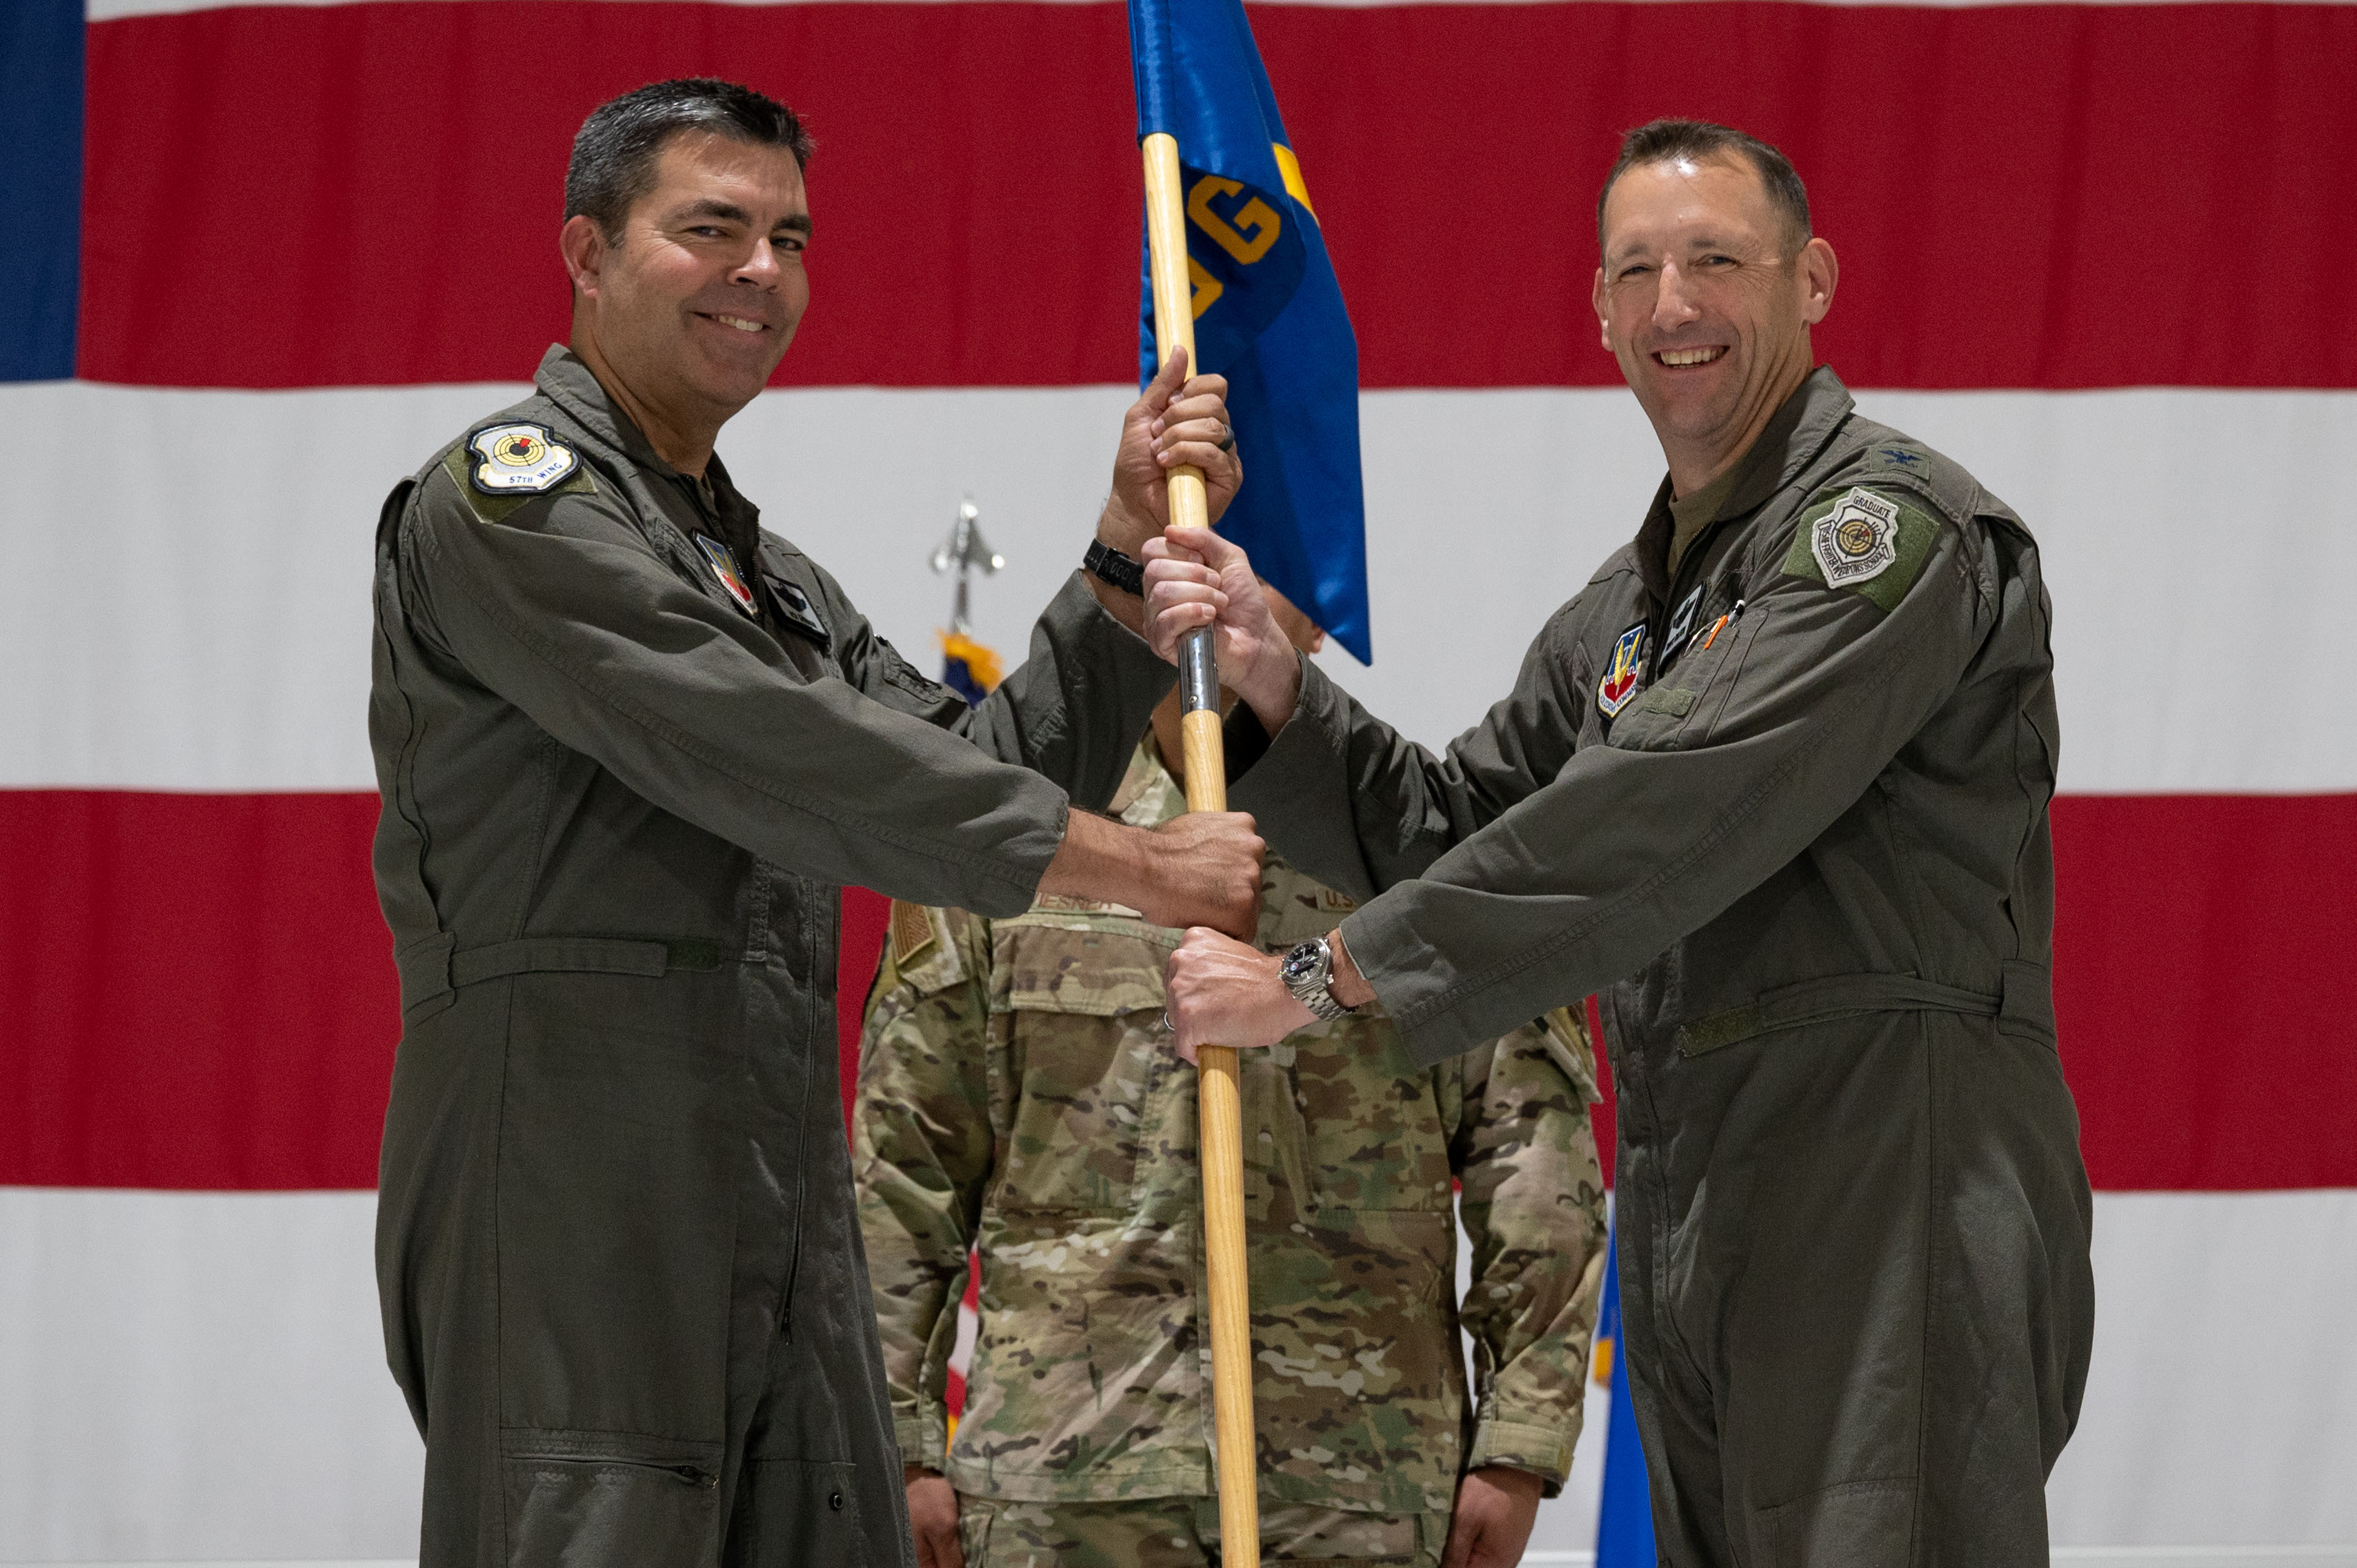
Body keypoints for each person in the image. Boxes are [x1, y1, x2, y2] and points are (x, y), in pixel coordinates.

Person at [1144, 119, 2096, 1565]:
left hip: (1884, 1181)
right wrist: (1280, 686)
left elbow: (1654, 812)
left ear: (1811, 281)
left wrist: (1319, 977)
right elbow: (1463, 825)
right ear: (1597, 310)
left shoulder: (1884, 533)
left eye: (1716, 260)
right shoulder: (1632, 607)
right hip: (1699, 1195)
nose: (1673, 305)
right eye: (1636, 271)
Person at [367, 78, 1263, 1567]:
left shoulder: (761, 573)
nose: (760, 271)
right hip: (575, 1181)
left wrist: (1117, 548)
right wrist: (1139, 869)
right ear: (587, 252)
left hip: (773, 1185)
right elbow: (779, 751)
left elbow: (963, 763)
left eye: (788, 238)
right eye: (710, 229)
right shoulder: (508, 502)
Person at [853, 588, 1608, 1568]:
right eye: (1192, 547)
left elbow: (1532, 1156)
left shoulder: (1414, 842)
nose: (1215, 579)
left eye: (1257, 557)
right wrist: (901, 1436)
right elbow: (904, 1162)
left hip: (1358, 1484)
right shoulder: (1023, 835)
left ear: (1320, 615)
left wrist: (1518, 1442)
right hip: (1064, 1485)